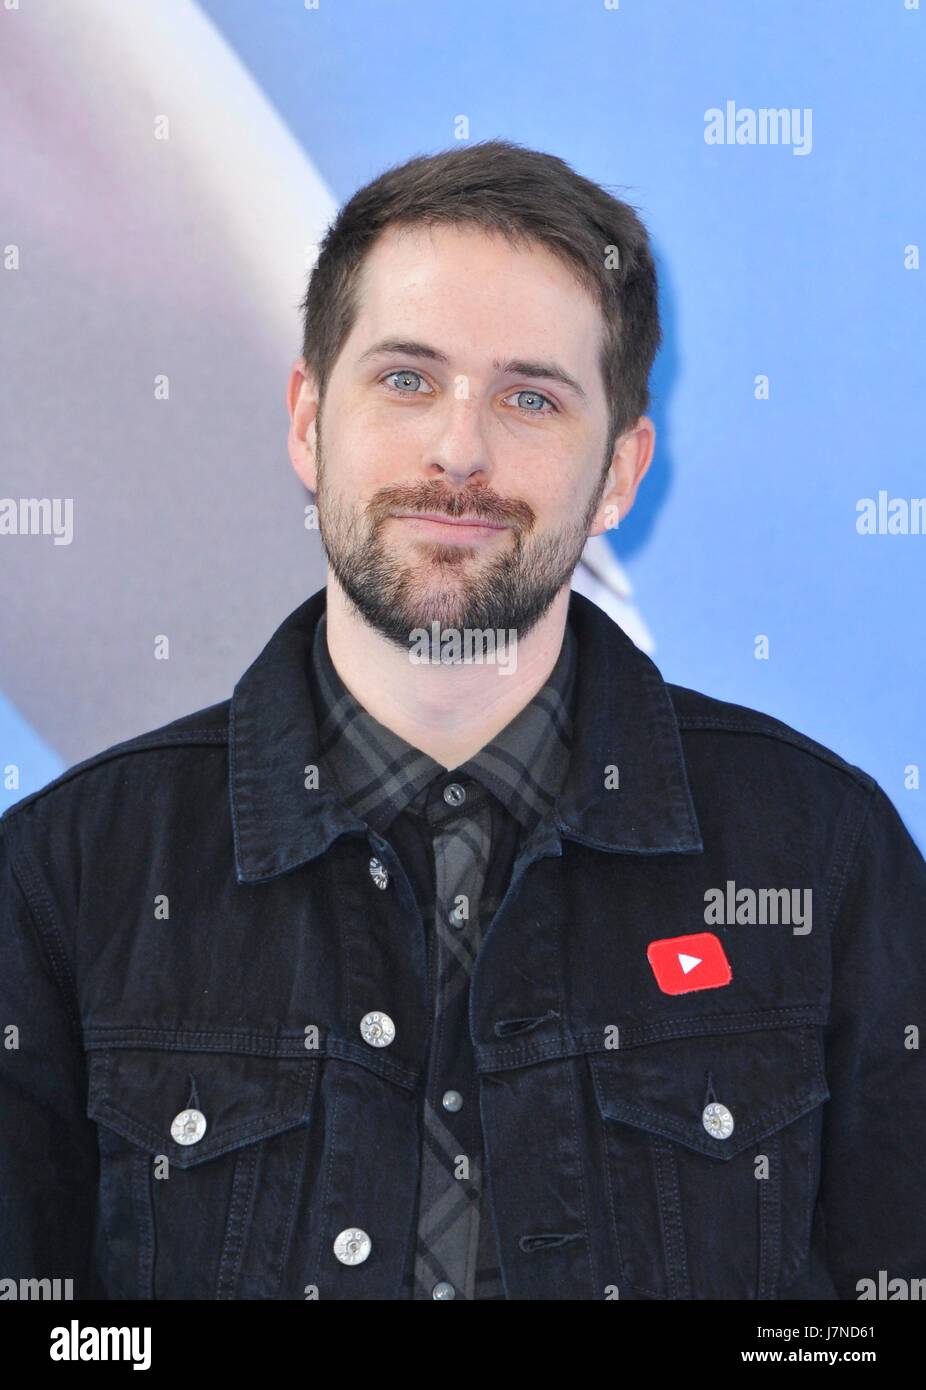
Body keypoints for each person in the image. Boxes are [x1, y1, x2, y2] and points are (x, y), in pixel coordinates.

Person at [1, 139, 924, 1302]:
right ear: (306, 420)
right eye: (405, 378)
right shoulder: (66, 880)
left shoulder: (821, 856)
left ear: (618, 476)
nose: (459, 449)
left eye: (529, 396)